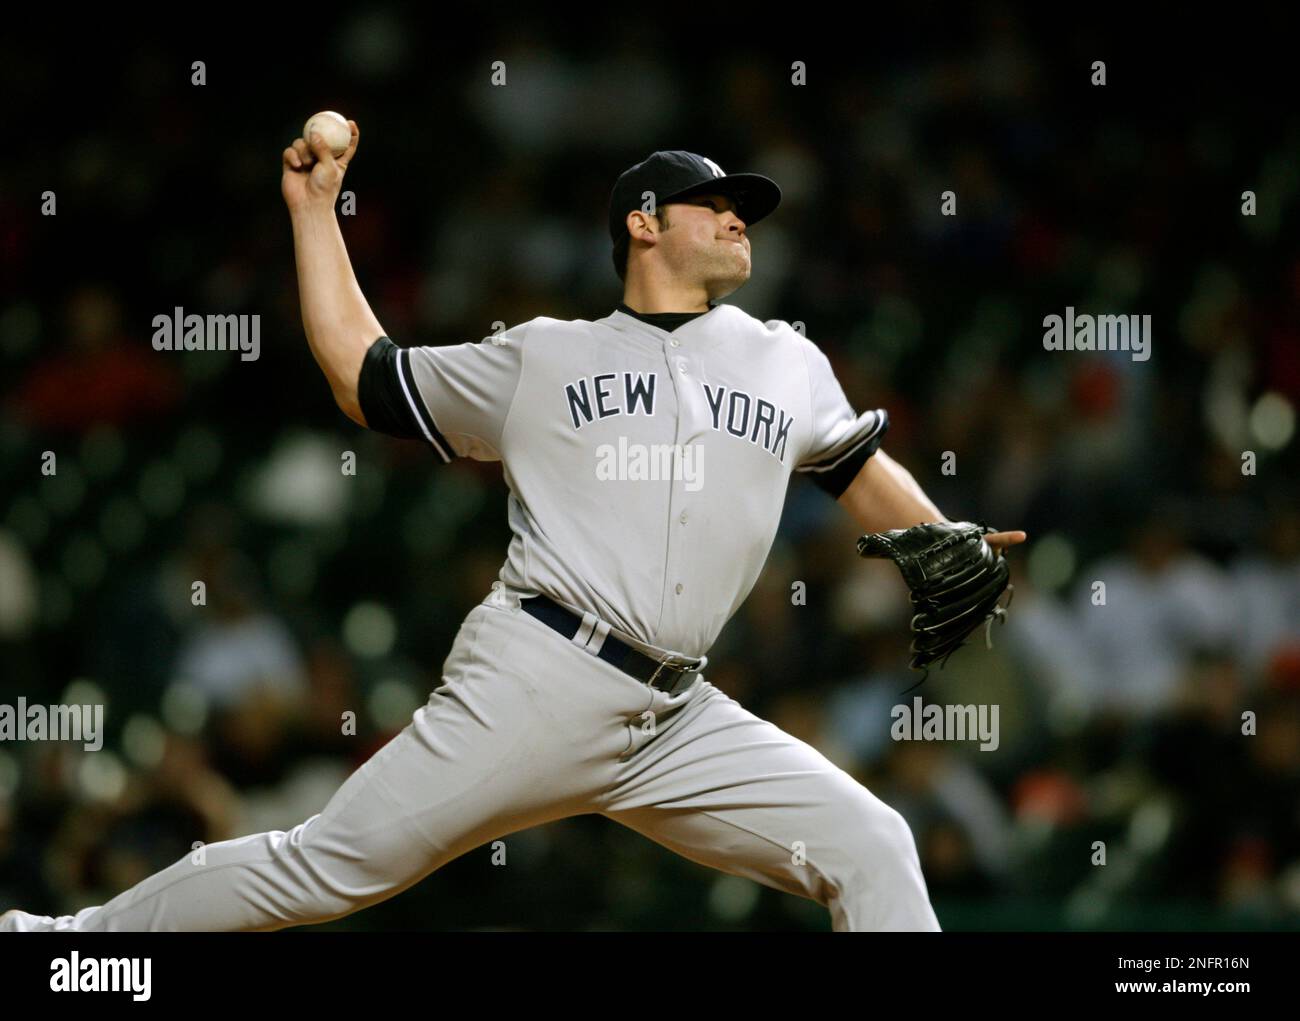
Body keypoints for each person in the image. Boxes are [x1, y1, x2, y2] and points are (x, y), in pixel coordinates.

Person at [0, 129, 1024, 933]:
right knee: (326, 870)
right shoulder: (547, 356)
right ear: (642, 223)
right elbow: (364, 373)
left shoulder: (786, 361)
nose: (736, 218)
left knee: (872, 843)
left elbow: (851, 466)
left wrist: (947, 535)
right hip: (542, 675)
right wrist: (315, 211)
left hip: (678, 715)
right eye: (713, 203)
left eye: (742, 208)